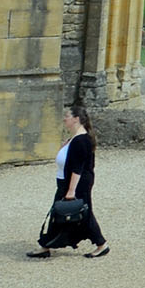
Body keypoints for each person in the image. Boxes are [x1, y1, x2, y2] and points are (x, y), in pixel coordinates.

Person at [28, 106, 109, 258]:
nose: (64, 119)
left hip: (76, 184)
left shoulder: (81, 140)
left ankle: (101, 244)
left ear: (76, 119)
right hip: (66, 182)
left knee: (83, 214)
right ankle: (45, 246)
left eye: (67, 116)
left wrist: (71, 190)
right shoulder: (75, 139)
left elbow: (77, 169)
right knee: (60, 211)